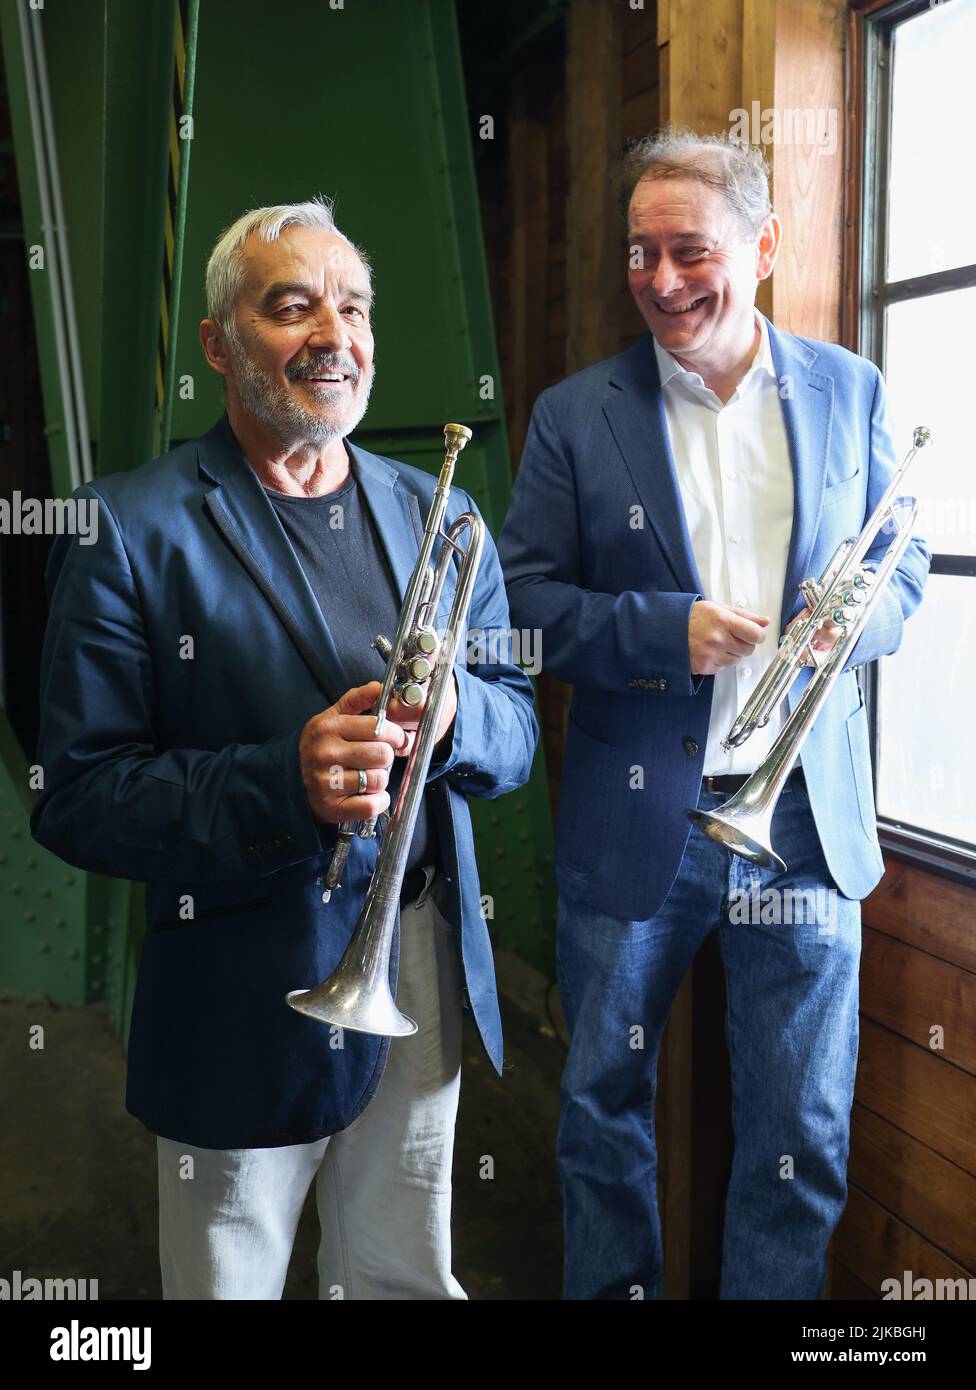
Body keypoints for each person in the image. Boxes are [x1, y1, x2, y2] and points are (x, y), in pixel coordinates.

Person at [30, 196, 538, 1300]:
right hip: (237, 984)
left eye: (352, 307)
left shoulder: (438, 515)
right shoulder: (129, 526)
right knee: (228, 1282)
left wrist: (457, 718)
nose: (334, 335)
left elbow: (516, 732)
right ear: (218, 344)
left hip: (414, 961)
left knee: (405, 1276)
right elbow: (77, 794)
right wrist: (282, 780)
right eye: (291, 306)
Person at [497, 127, 930, 1301]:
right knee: (598, 1114)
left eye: (689, 249)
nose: (661, 280)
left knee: (801, 1135)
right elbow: (519, 606)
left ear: (765, 247)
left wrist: (857, 625)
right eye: (640, 254)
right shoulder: (573, 414)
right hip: (639, 813)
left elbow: (905, 563)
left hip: (802, 820)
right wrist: (658, 629)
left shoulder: (850, 387)